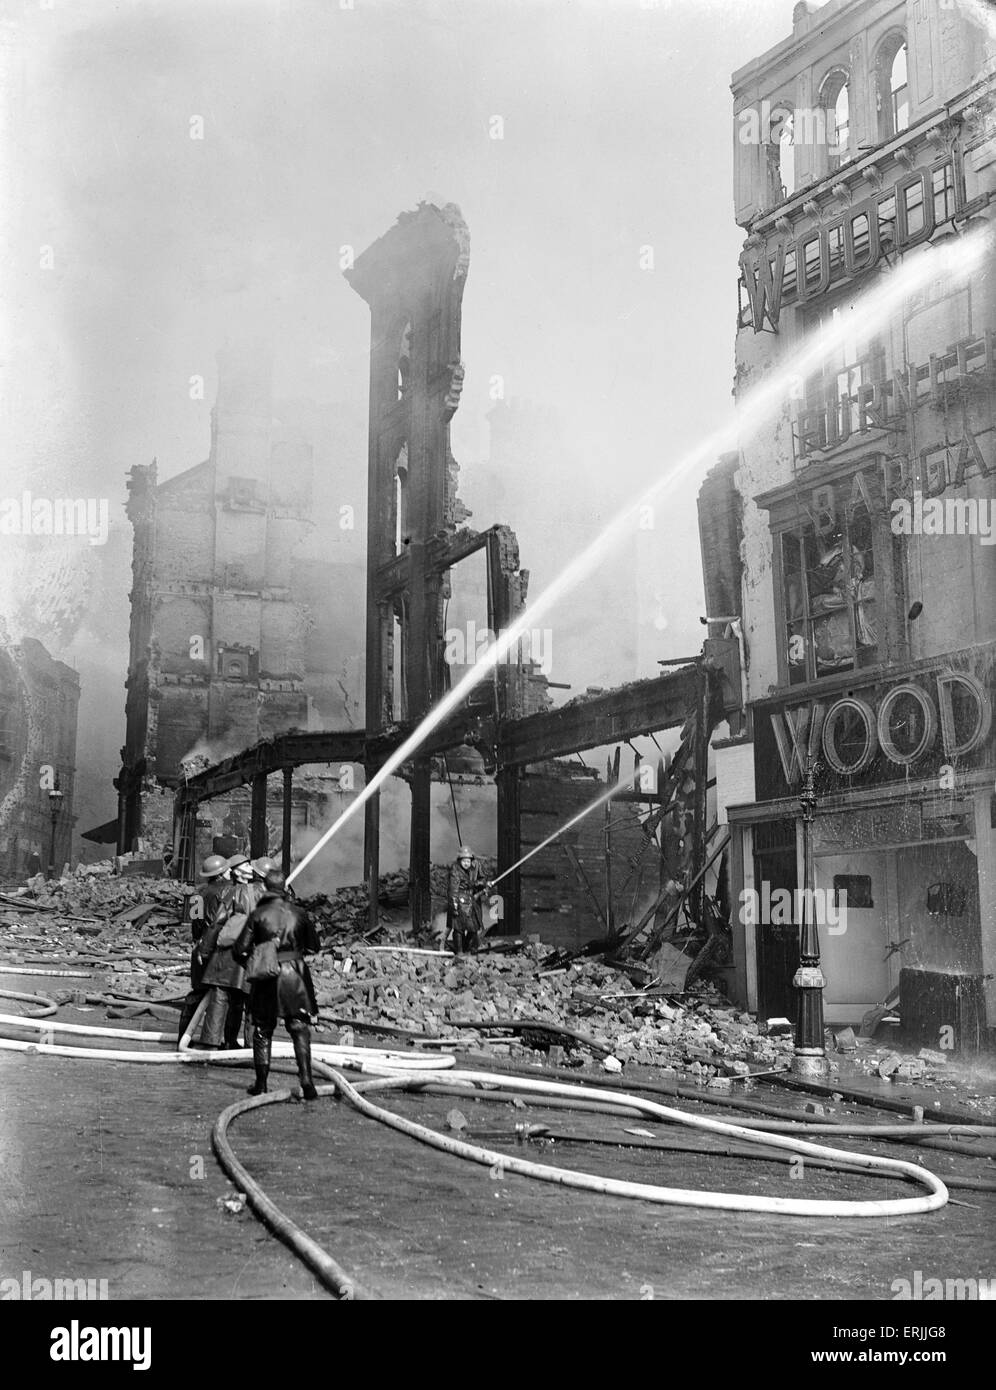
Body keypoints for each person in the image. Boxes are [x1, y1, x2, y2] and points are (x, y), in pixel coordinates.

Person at [233, 869, 321, 1099]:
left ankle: (261, 1084)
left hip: (267, 977)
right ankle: (307, 1080)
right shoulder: (300, 913)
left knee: (262, 1030)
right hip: (296, 976)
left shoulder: (258, 914)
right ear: (284, 888)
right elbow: (314, 946)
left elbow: (240, 950)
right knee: (299, 1027)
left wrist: (255, 964)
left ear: (265, 887)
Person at [175, 854, 233, 1046]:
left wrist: (199, 943)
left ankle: (183, 1036)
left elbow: (194, 923)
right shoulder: (230, 892)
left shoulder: (197, 894)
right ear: (221, 873)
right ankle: (219, 1040)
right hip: (219, 950)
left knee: (196, 993)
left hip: (200, 948)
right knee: (221, 997)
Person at [446, 845, 490, 955]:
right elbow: (453, 890)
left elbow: (481, 879)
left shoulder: (475, 867)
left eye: (468, 861)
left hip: (471, 902)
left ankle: (466, 948)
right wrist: (454, 906)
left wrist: (481, 884)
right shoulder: (455, 871)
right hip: (460, 903)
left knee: (473, 928)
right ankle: (460, 952)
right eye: (464, 861)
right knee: (458, 929)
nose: (466, 863)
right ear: (460, 860)